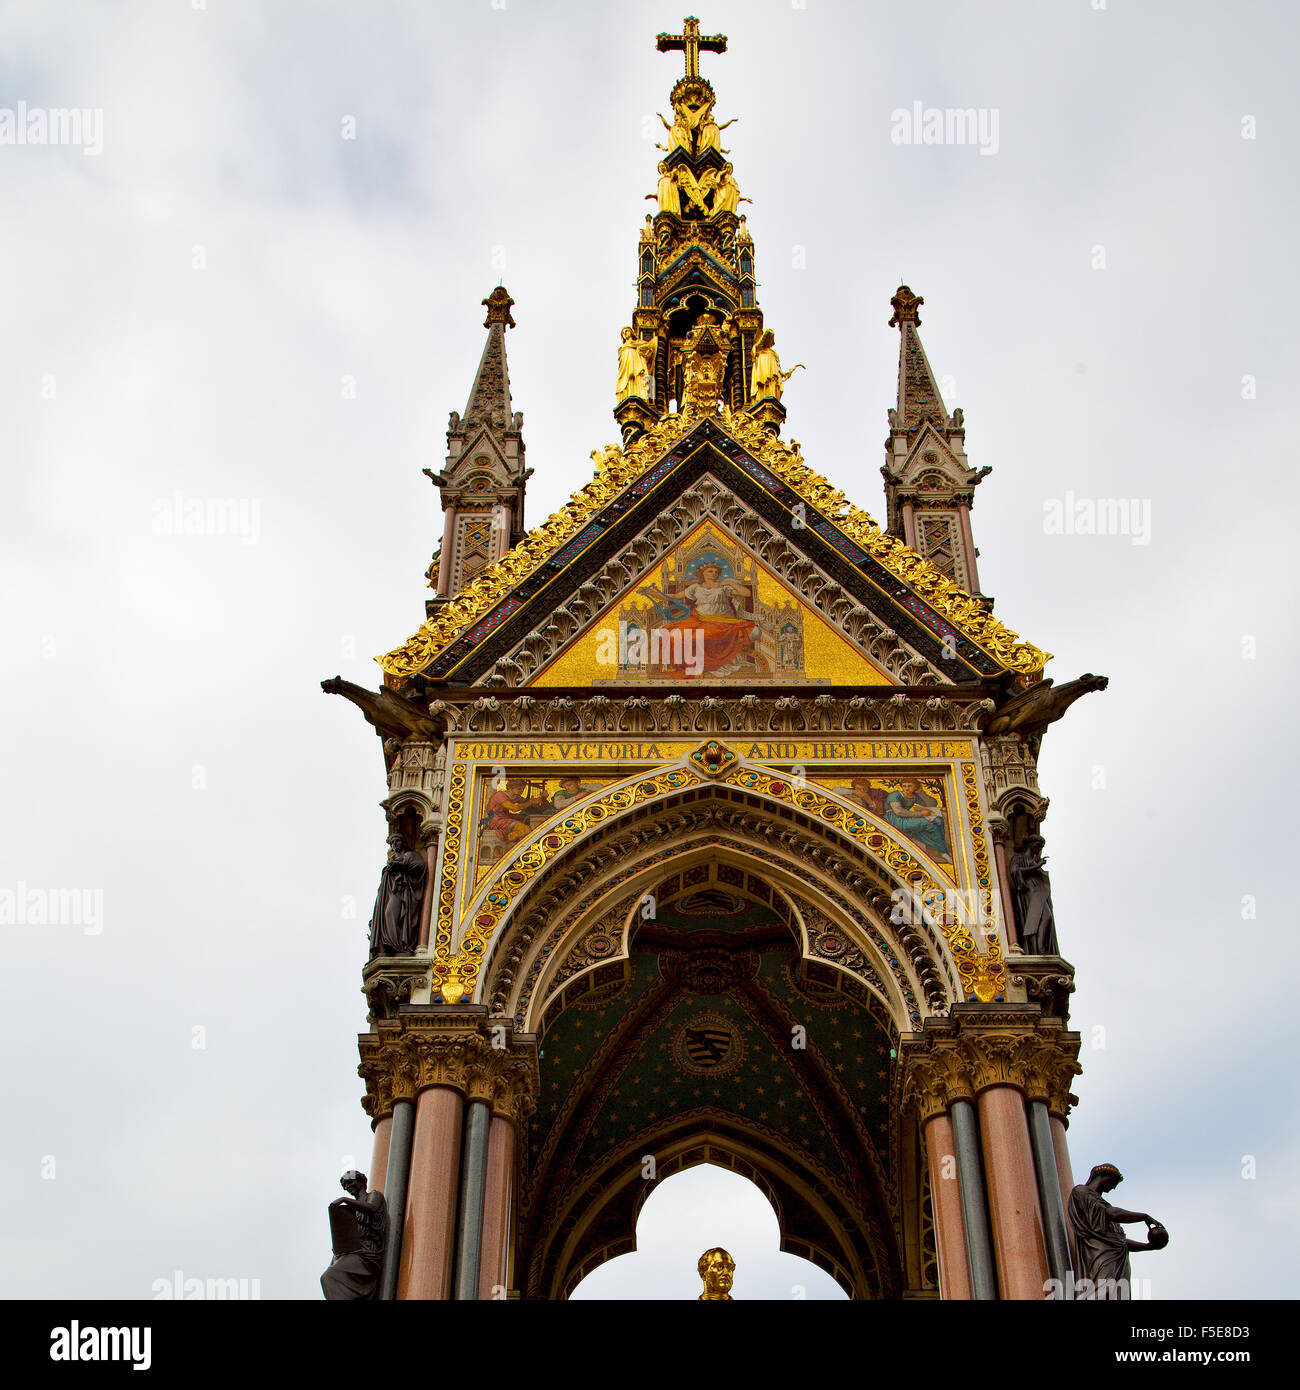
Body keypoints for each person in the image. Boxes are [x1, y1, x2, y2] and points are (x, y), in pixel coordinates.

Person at [1067, 1164, 1166, 1299]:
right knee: (1103, 1292)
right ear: (1101, 1176)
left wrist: (1149, 1246)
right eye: (1113, 1182)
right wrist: (1144, 1216)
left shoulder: (1102, 1207)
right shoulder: (1082, 1192)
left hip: (1119, 1259)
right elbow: (1112, 1213)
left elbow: (1121, 1242)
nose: (1113, 1187)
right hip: (1101, 1255)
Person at [321, 1172, 387, 1301]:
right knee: (326, 1277)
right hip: (353, 1252)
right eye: (345, 1185)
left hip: (367, 1252)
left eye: (349, 1182)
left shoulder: (373, 1195)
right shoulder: (351, 1212)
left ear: (361, 1182)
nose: (347, 1187)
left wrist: (345, 1200)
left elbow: (372, 1208)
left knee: (330, 1275)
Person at [367, 833, 427, 958]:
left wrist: (401, 865)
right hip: (390, 893)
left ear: (403, 843)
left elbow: (420, 866)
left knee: (391, 914)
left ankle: (400, 945)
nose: (394, 844)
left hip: (403, 893)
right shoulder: (392, 860)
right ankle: (390, 945)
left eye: (397, 841)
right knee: (387, 914)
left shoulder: (410, 855)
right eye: (392, 843)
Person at [884, 778, 951, 862]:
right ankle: (943, 851)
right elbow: (899, 811)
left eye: (910, 786)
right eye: (904, 786)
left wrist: (921, 793)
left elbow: (932, 803)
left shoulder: (914, 796)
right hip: (896, 820)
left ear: (915, 787)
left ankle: (936, 849)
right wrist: (920, 814)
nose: (907, 788)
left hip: (907, 817)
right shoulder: (895, 795)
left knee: (938, 821)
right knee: (928, 824)